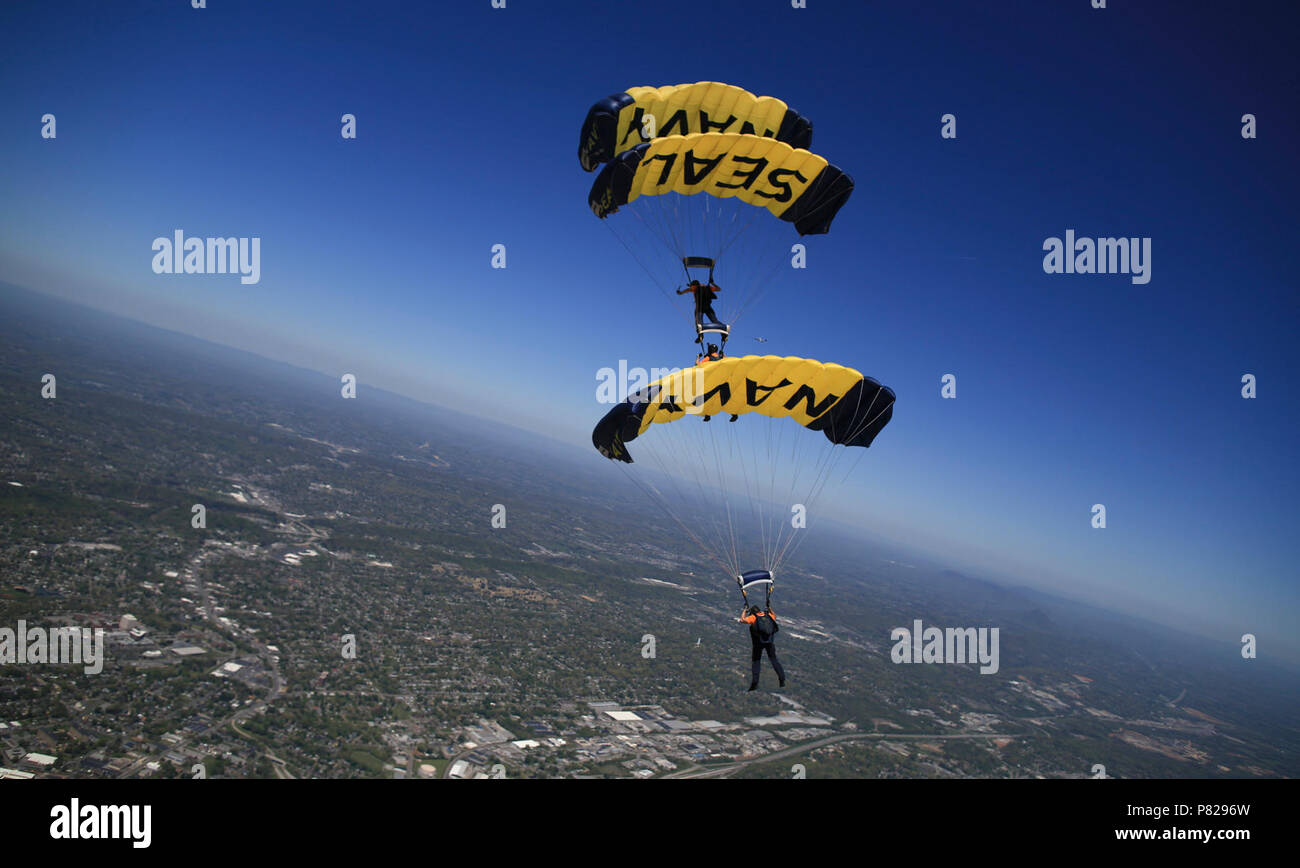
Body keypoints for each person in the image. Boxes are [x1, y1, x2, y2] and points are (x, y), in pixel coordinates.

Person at [740, 604, 786, 691]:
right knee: (774, 660)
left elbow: (742, 620)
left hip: (758, 643)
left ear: (752, 612)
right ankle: (782, 679)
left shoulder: (753, 617)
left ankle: (755, 683)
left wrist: (744, 611)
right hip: (769, 643)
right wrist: (770, 608)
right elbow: (775, 616)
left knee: (756, 662)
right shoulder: (768, 615)